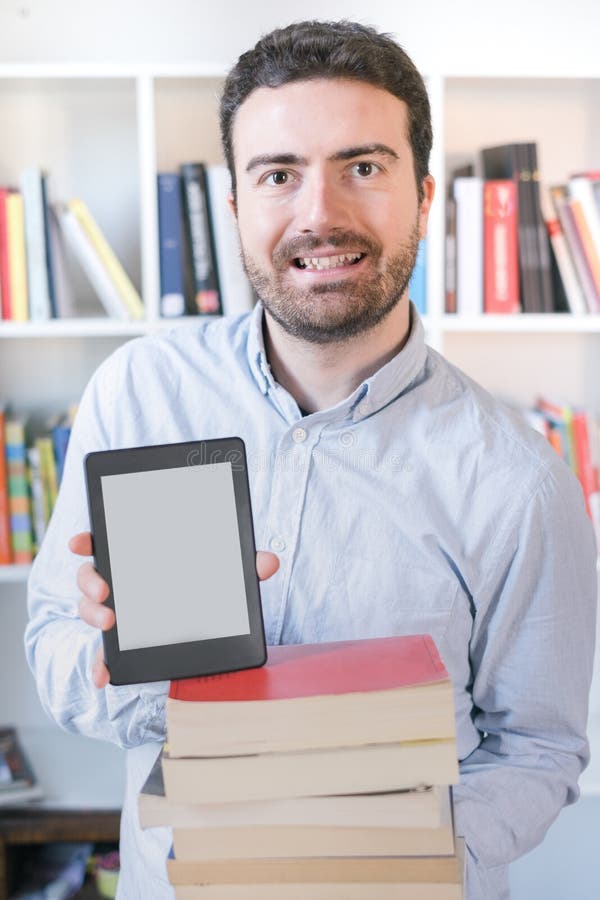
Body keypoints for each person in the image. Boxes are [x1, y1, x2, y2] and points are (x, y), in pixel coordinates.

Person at [25, 20, 596, 900]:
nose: (319, 213)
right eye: (279, 174)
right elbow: (58, 650)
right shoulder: (138, 396)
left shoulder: (519, 480)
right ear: (234, 207)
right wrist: (116, 660)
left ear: (424, 195)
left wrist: (393, 856)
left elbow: (541, 745)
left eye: (362, 168)